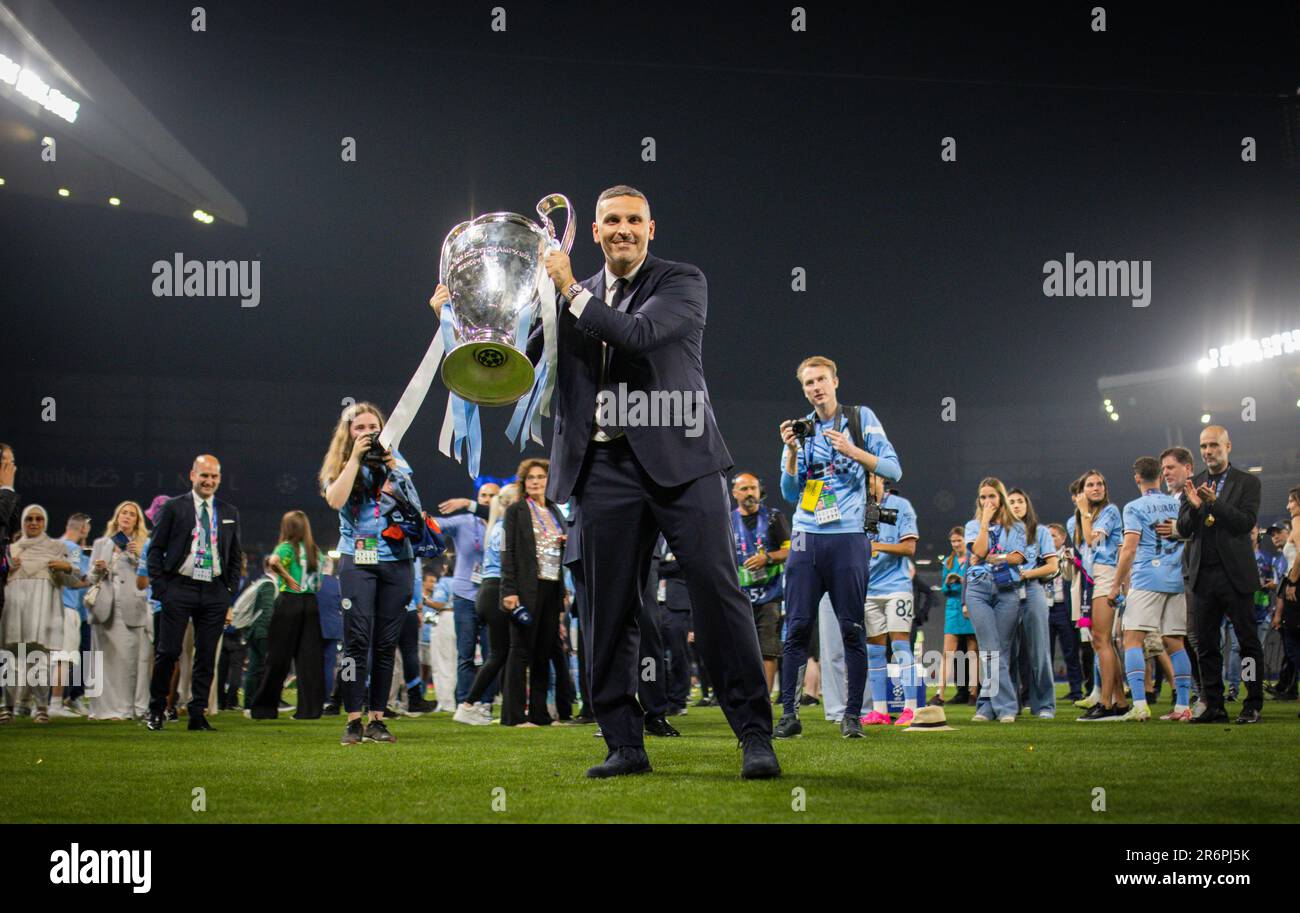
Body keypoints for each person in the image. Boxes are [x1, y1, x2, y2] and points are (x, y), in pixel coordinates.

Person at [506, 184, 778, 778]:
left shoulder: (682, 281)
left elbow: (637, 337)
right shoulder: (564, 296)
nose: (622, 229)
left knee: (717, 594)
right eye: (611, 221)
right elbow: (520, 367)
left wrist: (569, 289)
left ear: (650, 229)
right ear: (596, 231)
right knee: (606, 613)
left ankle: (755, 734)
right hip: (601, 469)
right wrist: (469, 324)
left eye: (633, 220)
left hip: (682, 462)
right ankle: (624, 744)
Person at [772, 356, 902, 742]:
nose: (816, 387)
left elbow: (894, 470)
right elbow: (790, 493)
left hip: (847, 538)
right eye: (808, 382)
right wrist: (792, 452)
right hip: (805, 538)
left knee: (851, 628)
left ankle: (851, 716)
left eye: (821, 380)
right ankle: (790, 714)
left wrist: (852, 450)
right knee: (796, 629)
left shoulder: (860, 418)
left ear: (835, 381)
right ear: (804, 389)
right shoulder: (801, 428)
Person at [321, 402, 422, 745]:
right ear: (348, 434)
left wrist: (394, 469)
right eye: (359, 428)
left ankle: (377, 718)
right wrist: (354, 460)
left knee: (385, 643)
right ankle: (352, 718)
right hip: (357, 559)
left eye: (373, 427)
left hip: (397, 559)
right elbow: (335, 500)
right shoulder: (339, 463)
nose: (367, 433)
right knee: (356, 642)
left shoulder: (398, 461)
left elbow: (415, 507)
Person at [145, 455, 242, 732]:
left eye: (214, 477)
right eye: (204, 475)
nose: (209, 481)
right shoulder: (175, 508)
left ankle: (197, 713)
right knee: (168, 652)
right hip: (179, 586)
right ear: (192, 475)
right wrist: (161, 588)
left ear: (220, 479)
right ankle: (156, 709)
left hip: (214, 590)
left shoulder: (229, 512)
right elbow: (155, 550)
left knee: (206, 654)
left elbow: (235, 556)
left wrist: (228, 591)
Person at [1177, 426, 1263, 724]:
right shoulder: (1194, 483)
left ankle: (1252, 703)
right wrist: (1198, 508)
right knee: (1207, 643)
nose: (1208, 451)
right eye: (1203, 446)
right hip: (1203, 575)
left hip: (1235, 575)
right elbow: (1185, 528)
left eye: (1214, 445)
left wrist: (1214, 504)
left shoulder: (1247, 482)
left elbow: (1245, 523)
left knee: (1247, 642)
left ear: (1228, 446)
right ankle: (1213, 705)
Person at [1107, 457, 1193, 722]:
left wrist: (1115, 584)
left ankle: (1140, 705)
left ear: (1137, 479)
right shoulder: (1178, 504)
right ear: (1159, 475)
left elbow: (1130, 548)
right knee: (1175, 643)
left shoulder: (1134, 507)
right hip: (1176, 578)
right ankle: (1182, 706)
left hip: (1146, 578)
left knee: (1132, 640)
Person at [500, 459, 568, 727]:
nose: (536, 482)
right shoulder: (516, 511)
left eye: (541, 477)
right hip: (525, 589)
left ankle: (539, 714)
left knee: (543, 652)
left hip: (552, 587)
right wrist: (509, 590)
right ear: (524, 483)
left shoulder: (555, 512)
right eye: (531, 478)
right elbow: (507, 551)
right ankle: (514, 716)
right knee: (520, 652)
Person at [0, 505, 78, 723]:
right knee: (10, 660)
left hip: (43, 609)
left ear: (45, 522)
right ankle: (8, 707)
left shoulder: (57, 547)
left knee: (40, 660)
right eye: (29, 519)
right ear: (23, 522)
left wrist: (67, 567)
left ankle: (41, 708)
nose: (33, 523)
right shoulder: (10, 549)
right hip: (14, 609)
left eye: (38, 519)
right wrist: (6, 569)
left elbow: (74, 582)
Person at [249, 510, 327, 719]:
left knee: (277, 658)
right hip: (311, 604)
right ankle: (310, 710)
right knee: (309, 660)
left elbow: (273, 561)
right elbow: (320, 580)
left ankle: (264, 709)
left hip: (289, 602)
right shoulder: (315, 551)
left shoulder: (286, 548)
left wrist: (286, 577)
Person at [964, 479, 1029, 723]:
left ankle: (986, 705)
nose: (987, 501)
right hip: (978, 589)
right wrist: (984, 523)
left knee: (1000, 650)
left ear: (1000, 498)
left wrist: (997, 557)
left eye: (992, 496)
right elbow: (979, 552)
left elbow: (1018, 557)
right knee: (990, 648)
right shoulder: (973, 525)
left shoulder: (1017, 527)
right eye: (983, 497)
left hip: (1007, 589)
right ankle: (1007, 707)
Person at [455, 483, 518, 725]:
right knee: (500, 654)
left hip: (487, 590)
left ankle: (481, 704)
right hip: (496, 589)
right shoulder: (504, 529)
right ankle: (469, 703)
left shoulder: (496, 526)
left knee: (501, 653)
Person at [1069, 469, 1129, 721]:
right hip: (1090, 579)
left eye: (1100, 484)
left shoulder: (1110, 511)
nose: (1096, 488)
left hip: (1106, 574)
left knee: (1102, 640)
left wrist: (1084, 511)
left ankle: (1105, 703)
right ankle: (1120, 702)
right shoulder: (1076, 519)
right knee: (1098, 641)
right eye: (1090, 485)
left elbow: (1093, 539)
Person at [860, 473, 919, 726]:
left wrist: (878, 547)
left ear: (882, 478)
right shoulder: (857, 506)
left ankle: (911, 709)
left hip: (897, 587)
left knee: (900, 646)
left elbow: (909, 548)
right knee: (874, 650)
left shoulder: (901, 506)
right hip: (869, 589)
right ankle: (880, 711)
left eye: (871, 476)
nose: (867, 482)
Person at [87, 501, 152, 720]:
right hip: (105, 604)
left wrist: (138, 556)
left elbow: (148, 578)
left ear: (137, 521)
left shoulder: (144, 544)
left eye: (132, 514)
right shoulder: (101, 543)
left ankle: (124, 709)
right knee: (102, 660)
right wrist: (98, 569)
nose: (127, 517)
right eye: (124, 513)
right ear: (116, 517)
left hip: (130, 606)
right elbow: (90, 577)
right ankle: (100, 709)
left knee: (127, 660)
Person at [436, 483, 500, 709]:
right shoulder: (464, 522)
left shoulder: (502, 524)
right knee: (465, 653)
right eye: (483, 495)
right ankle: (465, 701)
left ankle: (486, 702)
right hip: (465, 595)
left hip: (492, 595)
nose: (487, 499)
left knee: (491, 654)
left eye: (493, 496)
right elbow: (436, 524)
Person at [729, 473, 791, 695]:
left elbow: (790, 549)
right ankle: (744, 695)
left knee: (768, 649)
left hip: (770, 594)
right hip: (739, 595)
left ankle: (763, 698)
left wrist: (769, 558)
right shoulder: (727, 521)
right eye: (744, 489)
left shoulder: (774, 518)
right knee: (740, 649)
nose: (749, 493)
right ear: (734, 493)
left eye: (753, 488)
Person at [1007, 489, 1058, 718]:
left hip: (1033, 589)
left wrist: (1027, 573)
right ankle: (1011, 704)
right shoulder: (1001, 533)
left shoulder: (1040, 531)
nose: (1016, 505)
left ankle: (1045, 705)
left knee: (1039, 651)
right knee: (1008, 652)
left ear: (1027, 505)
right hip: (1005, 592)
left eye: (1020, 501)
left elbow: (1052, 566)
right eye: (1011, 502)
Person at [933, 527, 976, 705]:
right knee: (947, 653)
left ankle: (974, 692)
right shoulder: (948, 563)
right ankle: (939, 694)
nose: (956, 544)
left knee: (973, 653)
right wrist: (950, 582)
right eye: (953, 541)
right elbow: (943, 589)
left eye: (959, 540)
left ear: (966, 540)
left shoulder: (973, 559)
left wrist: (961, 581)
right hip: (953, 609)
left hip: (970, 606)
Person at [1045, 523, 1084, 702]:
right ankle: (1046, 693)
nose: (1051, 539)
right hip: (1046, 607)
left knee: (1071, 651)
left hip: (1064, 607)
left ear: (1062, 538)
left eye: (1053, 535)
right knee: (1046, 653)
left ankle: (1076, 691)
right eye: (1048, 536)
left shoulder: (1070, 554)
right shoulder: (1042, 556)